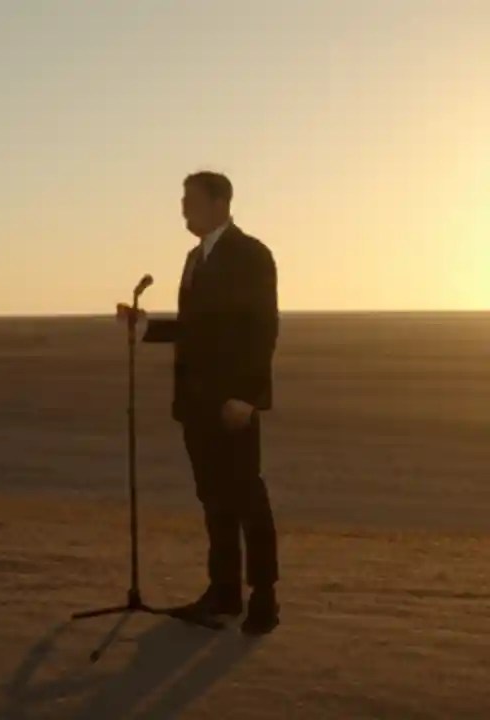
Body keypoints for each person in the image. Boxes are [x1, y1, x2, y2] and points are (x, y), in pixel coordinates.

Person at [167, 171, 281, 635]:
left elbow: (263, 329)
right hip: (197, 406)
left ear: (219, 203)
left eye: (189, 199)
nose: (182, 207)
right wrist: (143, 329)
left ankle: (265, 599)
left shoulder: (251, 255)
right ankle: (224, 592)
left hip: (232, 405)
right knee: (214, 500)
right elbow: (192, 331)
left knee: (247, 498)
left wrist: (248, 397)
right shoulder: (195, 258)